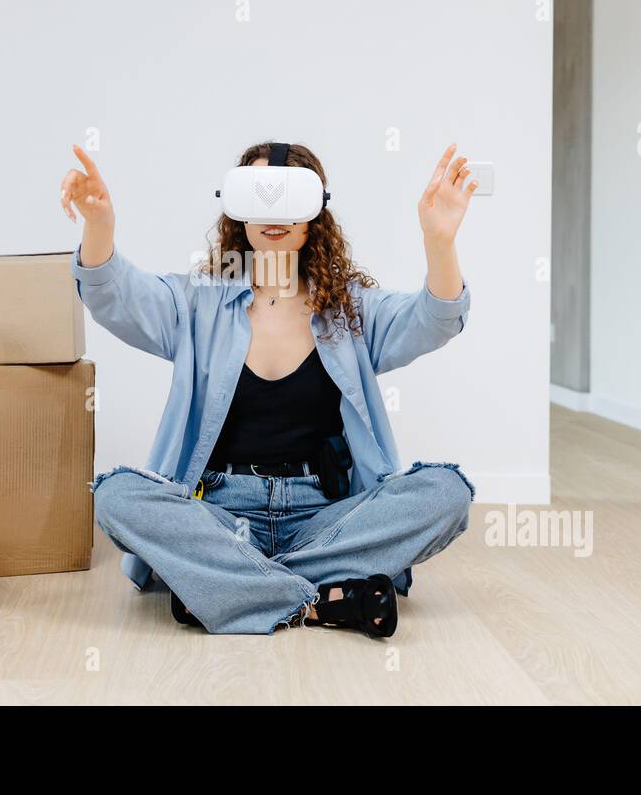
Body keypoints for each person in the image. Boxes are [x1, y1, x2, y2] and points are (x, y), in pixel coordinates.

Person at [60, 140, 478, 636]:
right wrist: (99, 226)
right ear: (237, 210)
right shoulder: (199, 301)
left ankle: (227, 589)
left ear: (316, 210)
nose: (274, 214)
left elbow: (434, 320)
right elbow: (117, 297)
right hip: (218, 515)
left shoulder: (351, 308)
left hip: (323, 516)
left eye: (289, 198)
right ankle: (321, 602)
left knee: (446, 491)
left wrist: (439, 243)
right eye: (259, 198)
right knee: (114, 496)